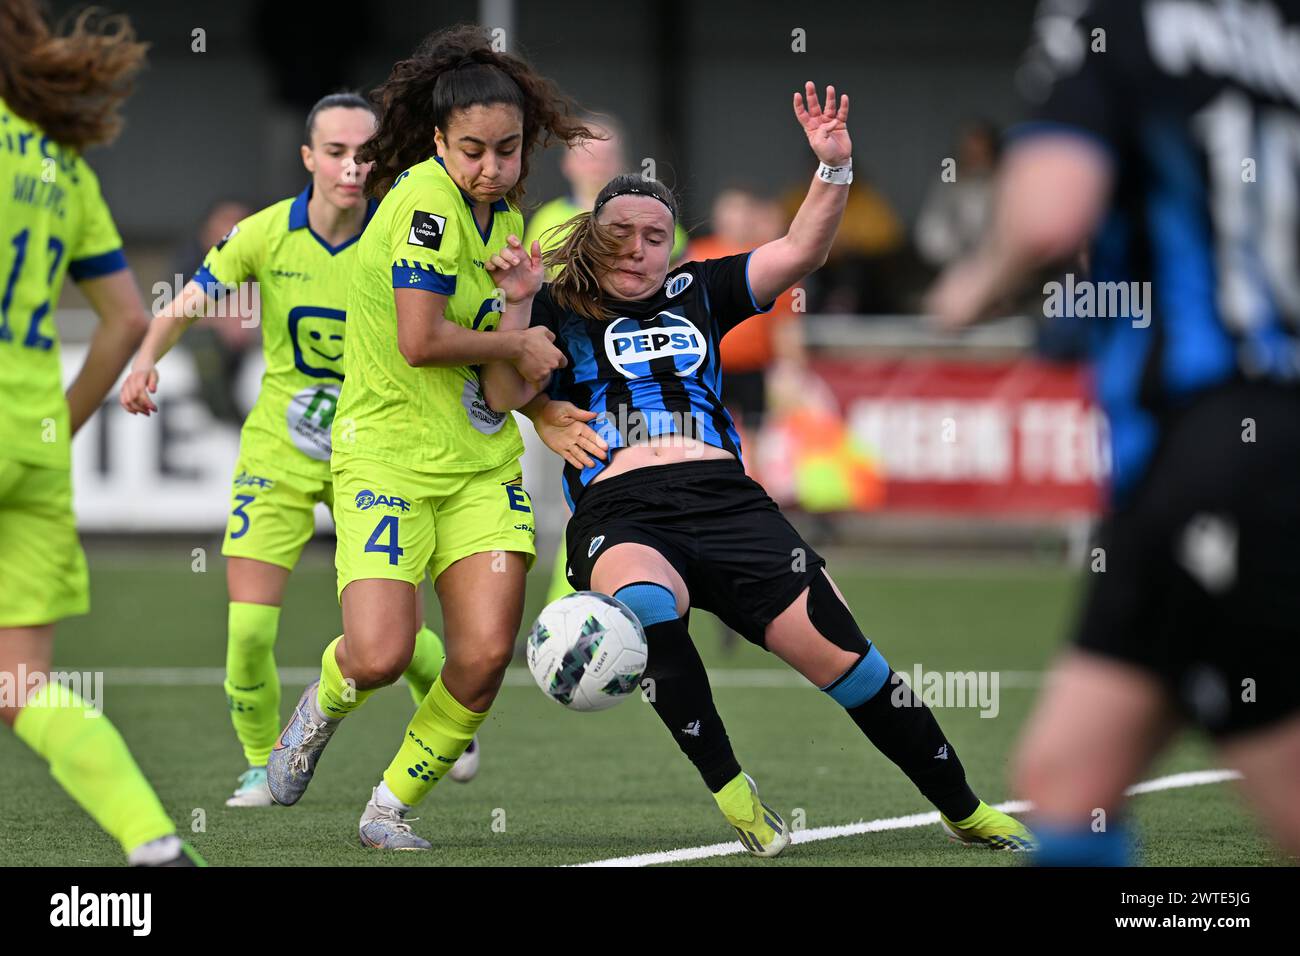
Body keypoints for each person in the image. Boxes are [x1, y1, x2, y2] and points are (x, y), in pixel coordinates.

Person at [481, 82, 1033, 857]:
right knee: (646, 608)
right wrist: (512, 305)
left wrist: (832, 167)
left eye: (656, 235)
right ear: (594, 238)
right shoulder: (556, 304)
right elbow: (504, 390)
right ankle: (736, 796)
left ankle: (965, 807)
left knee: (853, 663)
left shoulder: (700, 290)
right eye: (622, 234)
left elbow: (802, 250)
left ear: (675, 244)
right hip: (623, 508)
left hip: (730, 503)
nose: (639, 248)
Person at [927, 0, 1300, 863]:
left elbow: (1052, 213)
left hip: (1214, 441)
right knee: (1068, 780)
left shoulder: (1109, 20)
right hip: (1231, 452)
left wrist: (979, 284)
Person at [265, 24, 597, 850]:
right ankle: (320, 708)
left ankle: (388, 807)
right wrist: (518, 343)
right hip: (385, 456)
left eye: (509, 149)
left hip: (477, 470)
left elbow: (491, 385)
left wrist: (521, 314)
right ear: (441, 141)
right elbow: (420, 341)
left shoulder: (503, 215)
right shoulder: (420, 202)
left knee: (485, 655)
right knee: (376, 655)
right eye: (474, 150)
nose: (491, 166)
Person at [121, 93, 463, 808]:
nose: (351, 167)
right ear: (308, 157)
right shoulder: (264, 234)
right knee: (248, 630)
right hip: (277, 449)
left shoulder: (399, 235)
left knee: (392, 635)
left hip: (369, 448)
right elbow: (186, 303)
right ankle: (259, 763)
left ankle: (448, 716)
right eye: (335, 152)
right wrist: (146, 360)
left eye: (364, 153)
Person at [0, 0, 201, 866]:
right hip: (31, 441)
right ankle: (152, 842)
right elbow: (124, 321)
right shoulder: (58, 161)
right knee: (23, 686)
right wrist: (54, 429)